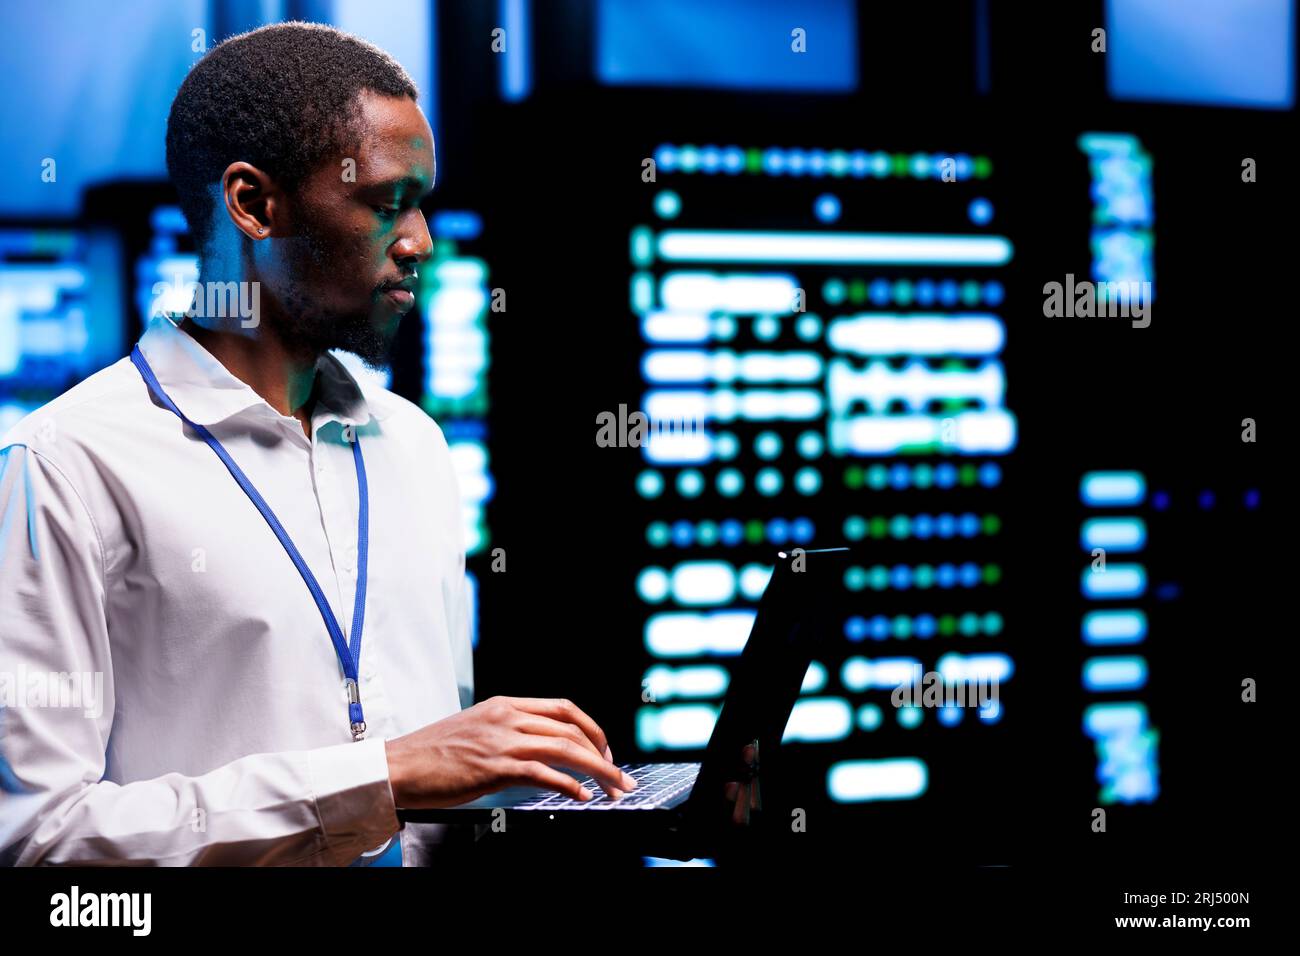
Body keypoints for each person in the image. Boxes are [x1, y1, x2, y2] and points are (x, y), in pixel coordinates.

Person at [0, 21, 643, 867]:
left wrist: (577, 807)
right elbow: (37, 840)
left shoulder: (411, 445)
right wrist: (377, 776)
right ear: (254, 205)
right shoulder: (67, 466)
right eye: (385, 203)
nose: (419, 241)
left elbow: (427, 797)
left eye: (422, 202)